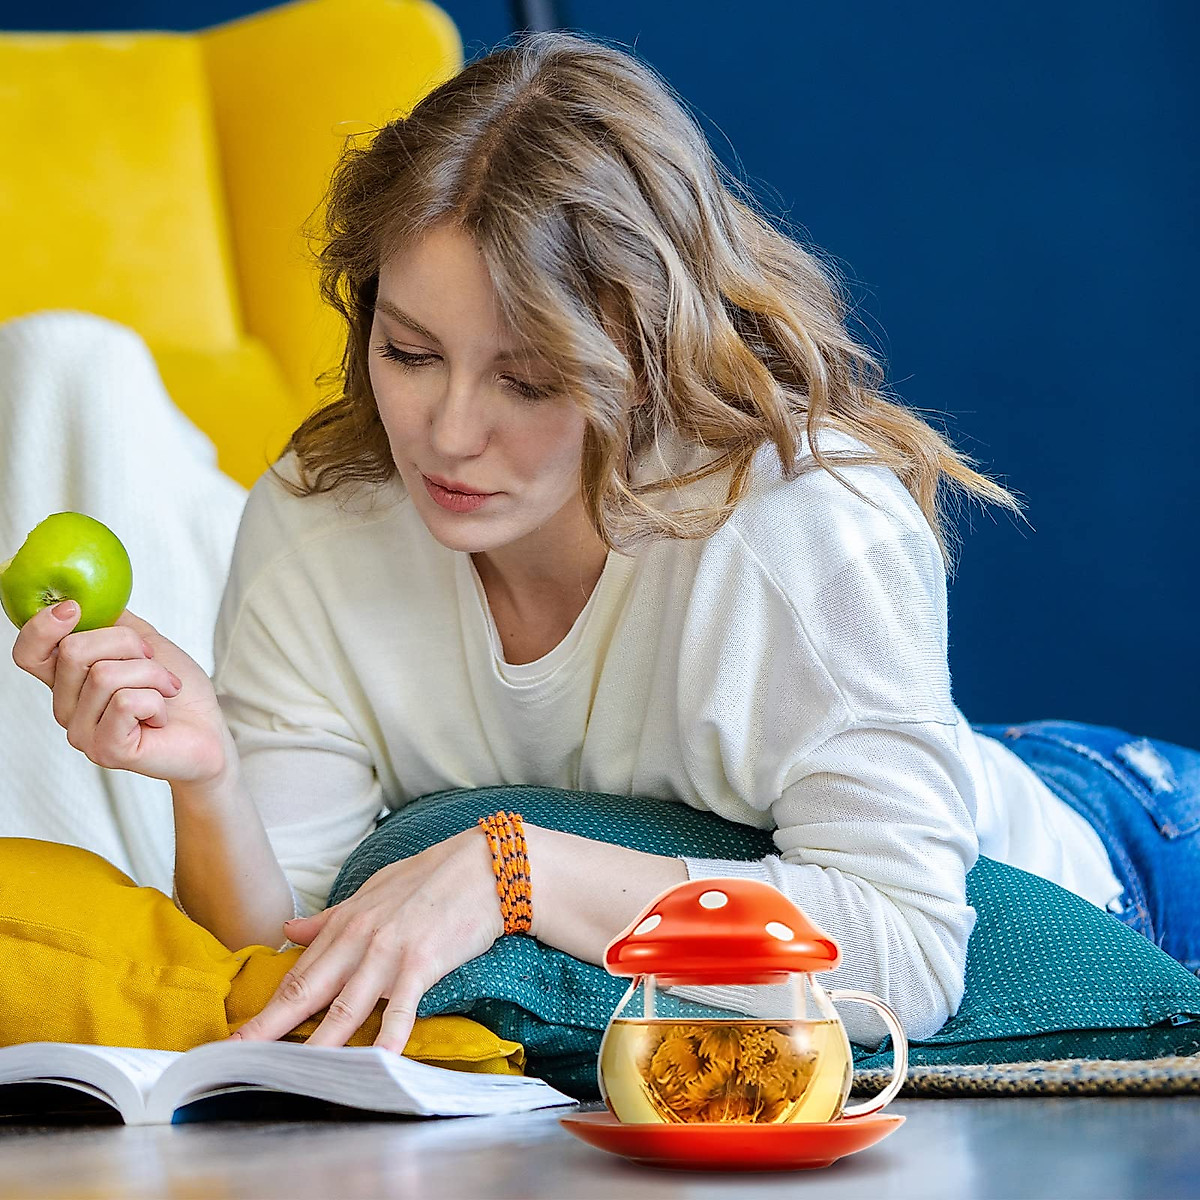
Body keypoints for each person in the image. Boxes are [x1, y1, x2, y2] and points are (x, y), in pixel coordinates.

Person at [10, 30, 1199, 1063]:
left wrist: (509, 872)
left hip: (1124, 854)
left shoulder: (801, 527)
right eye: (410, 351)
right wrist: (210, 782)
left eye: (527, 378)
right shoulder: (323, 517)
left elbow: (908, 958)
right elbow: (292, 956)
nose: (448, 432)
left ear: (650, 357)